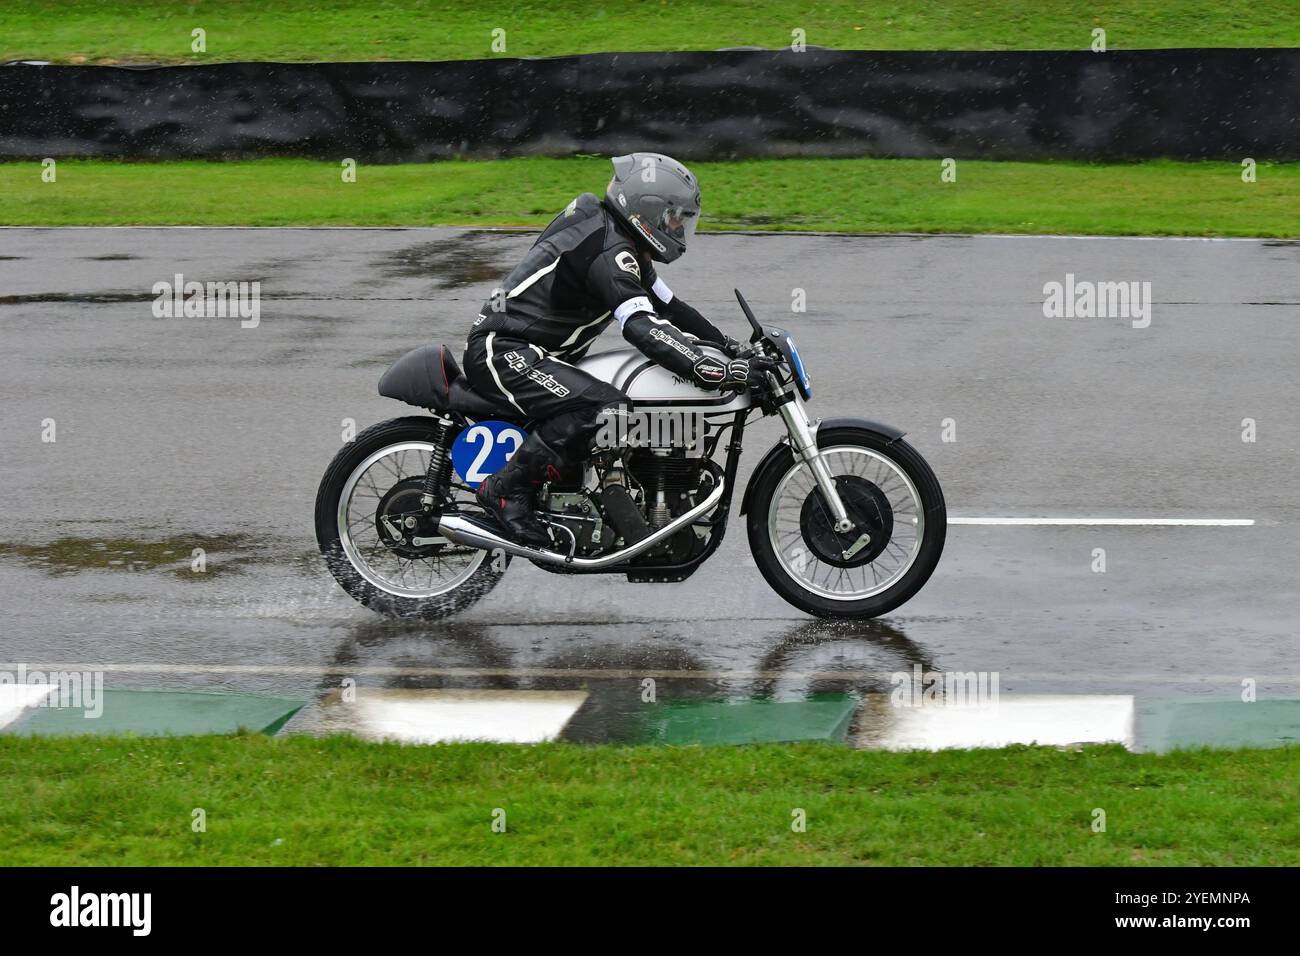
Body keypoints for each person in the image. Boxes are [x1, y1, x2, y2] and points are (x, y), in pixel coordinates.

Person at [463, 152, 766, 548]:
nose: (678, 227)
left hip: (538, 353)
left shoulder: (621, 241)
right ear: (647, 210)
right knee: (605, 409)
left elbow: (669, 308)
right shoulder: (612, 250)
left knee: (619, 408)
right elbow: (641, 327)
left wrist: (731, 348)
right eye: (674, 217)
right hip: (506, 351)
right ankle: (504, 491)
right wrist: (713, 370)